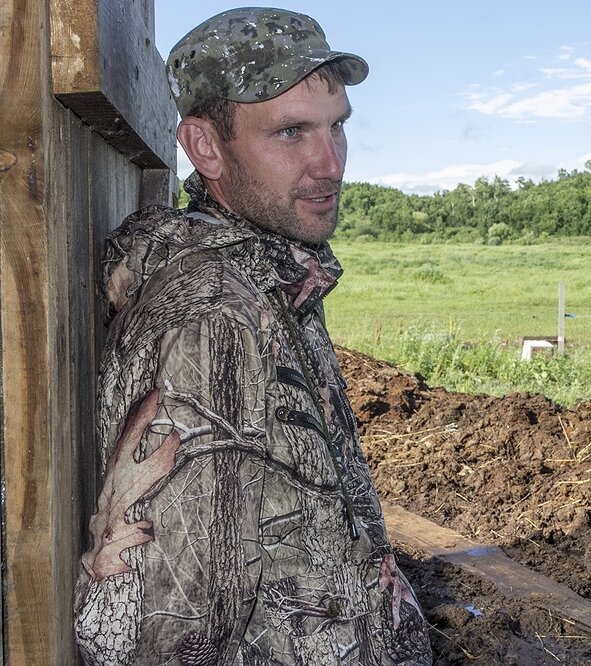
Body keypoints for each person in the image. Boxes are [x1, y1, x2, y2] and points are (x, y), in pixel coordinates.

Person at [73, 8, 432, 664]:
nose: (330, 164)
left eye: (336, 128)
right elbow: (173, 640)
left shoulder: (266, 277)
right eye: (291, 132)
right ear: (206, 148)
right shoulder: (212, 321)